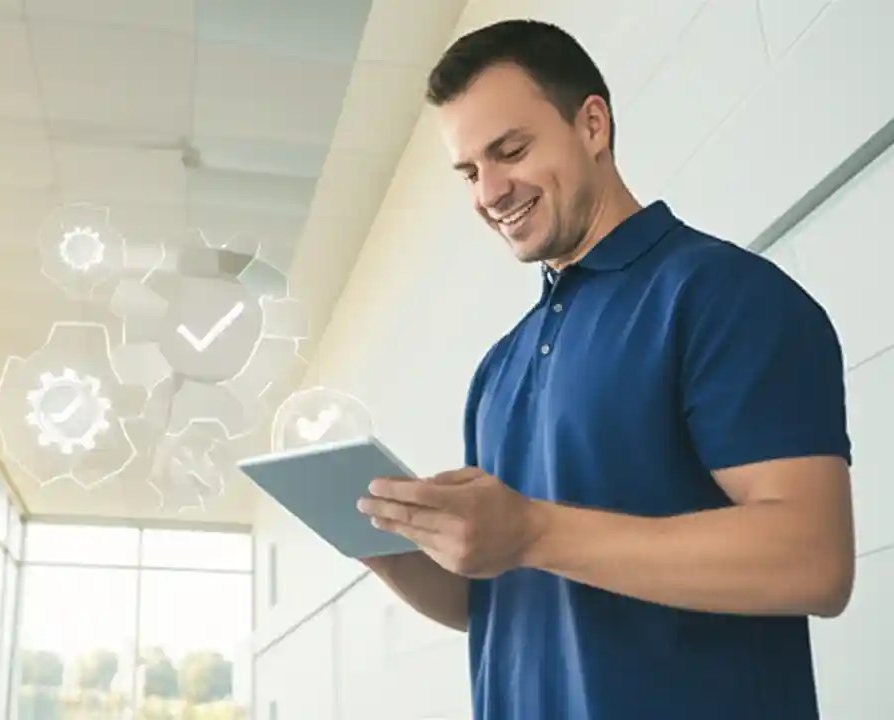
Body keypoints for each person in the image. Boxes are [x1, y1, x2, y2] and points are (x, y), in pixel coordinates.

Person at [355, 18, 855, 720]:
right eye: (470, 171)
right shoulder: (498, 369)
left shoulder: (722, 294)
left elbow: (814, 560)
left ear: (592, 125)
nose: (490, 191)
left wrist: (531, 528)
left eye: (511, 151)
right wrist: (385, 546)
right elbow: (506, 603)